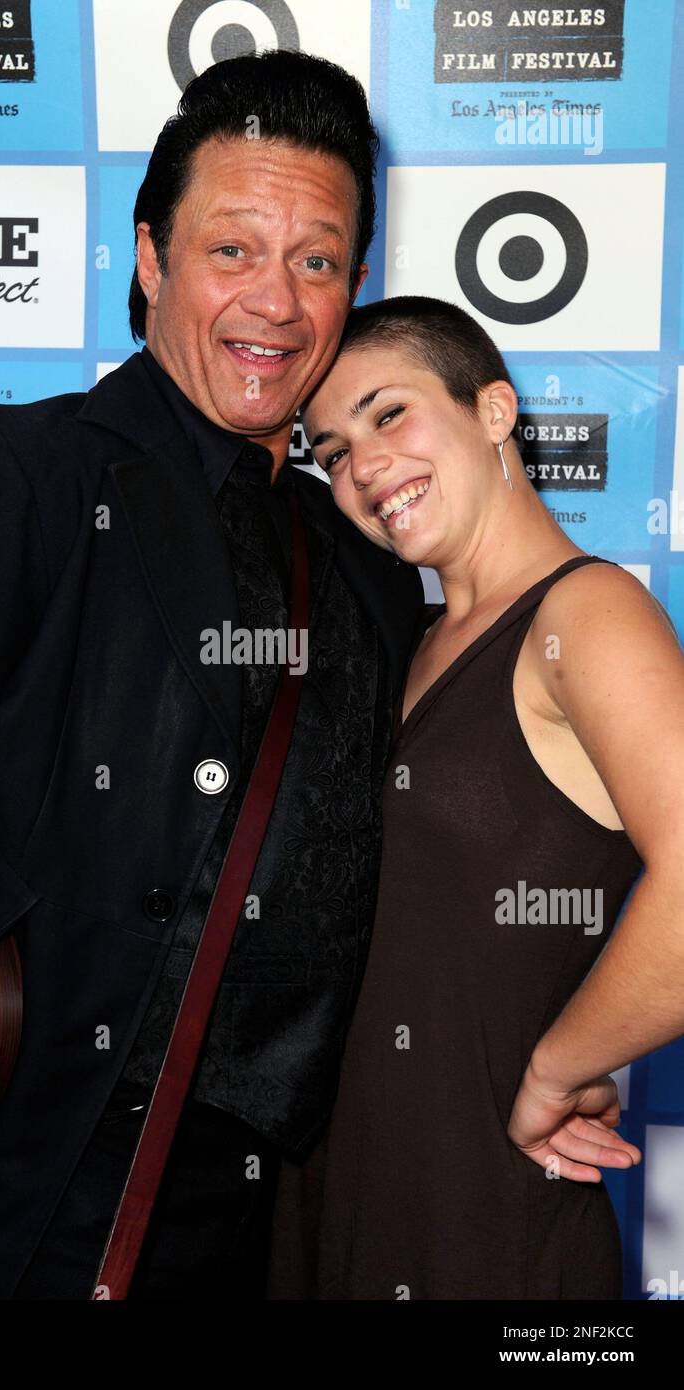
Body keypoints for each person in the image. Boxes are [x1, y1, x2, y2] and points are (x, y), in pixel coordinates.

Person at [0, 52, 426, 1301]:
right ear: (150, 257)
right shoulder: (21, 481)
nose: (275, 301)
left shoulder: (362, 565)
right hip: (38, 1216)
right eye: (231, 250)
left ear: (356, 286)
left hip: (288, 1231)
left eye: (316, 260)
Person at [267, 296, 684, 1300]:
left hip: (482, 1208)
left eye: (388, 413)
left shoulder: (586, 613)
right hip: (343, 1187)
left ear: (494, 409)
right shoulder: (405, 639)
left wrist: (554, 1069)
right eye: (331, 448)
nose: (362, 465)